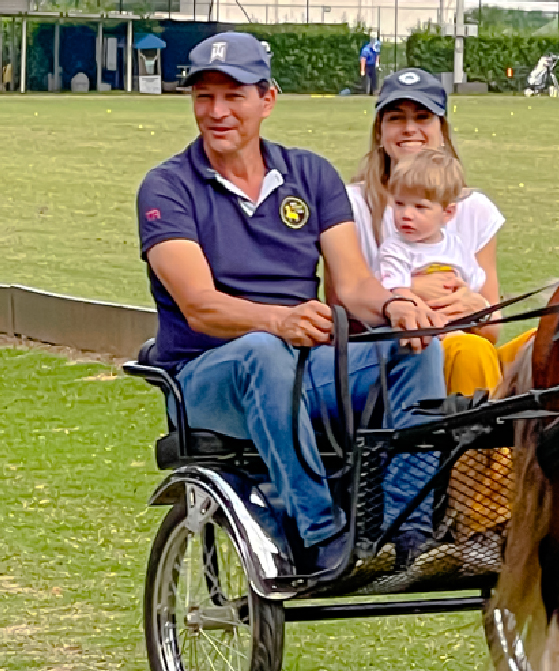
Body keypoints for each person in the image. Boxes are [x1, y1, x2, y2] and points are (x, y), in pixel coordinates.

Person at [135, 33, 448, 574]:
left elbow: (351, 287)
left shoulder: (311, 175)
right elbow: (200, 306)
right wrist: (280, 321)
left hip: (303, 367)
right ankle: (322, 536)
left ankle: (409, 533)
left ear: (267, 100)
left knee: (417, 349)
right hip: (208, 378)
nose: (217, 112)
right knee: (262, 351)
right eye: (204, 97)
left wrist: (396, 303)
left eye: (233, 96)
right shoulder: (166, 188)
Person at [347, 68, 523, 396]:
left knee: (550, 343)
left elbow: (492, 324)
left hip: (466, 342)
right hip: (398, 354)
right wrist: (410, 292)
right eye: (396, 118)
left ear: (441, 129)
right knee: (471, 353)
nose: (410, 128)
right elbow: (344, 310)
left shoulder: (475, 208)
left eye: (423, 117)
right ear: (380, 131)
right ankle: (485, 447)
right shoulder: (353, 204)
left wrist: (475, 307)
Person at [374, 149, 502, 344]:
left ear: (448, 213)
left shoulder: (456, 245)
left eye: (420, 207)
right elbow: (398, 293)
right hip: (420, 333)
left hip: (459, 328)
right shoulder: (394, 250)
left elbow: (475, 286)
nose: (406, 214)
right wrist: (433, 320)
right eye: (399, 204)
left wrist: (465, 295)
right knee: (468, 349)